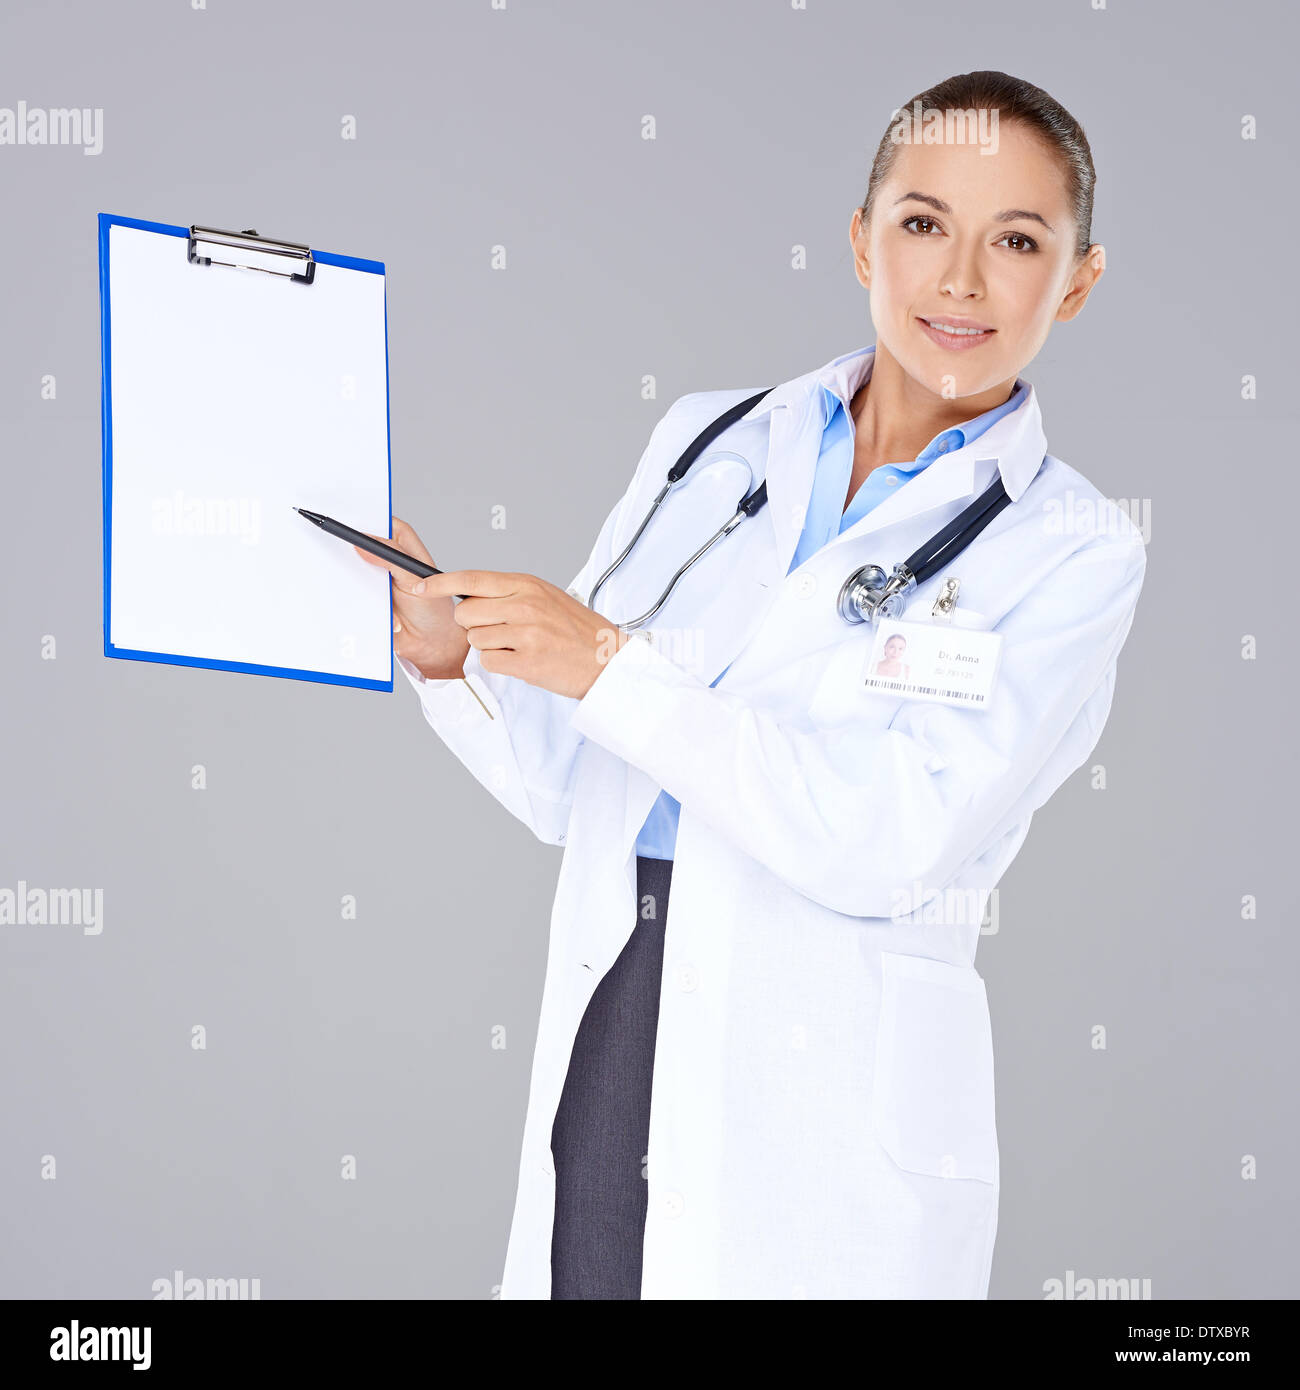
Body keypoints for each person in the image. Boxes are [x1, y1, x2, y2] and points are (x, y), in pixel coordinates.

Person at [356, 69, 1146, 1299]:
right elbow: (576, 783)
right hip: (621, 1006)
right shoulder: (708, 440)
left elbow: (887, 839)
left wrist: (609, 664)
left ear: (1079, 280)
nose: (958, 281)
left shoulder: (1074, 547)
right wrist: (458, 663)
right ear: (859, 238)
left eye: (1018, 241)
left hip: (819, 1090)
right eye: (923, 223)